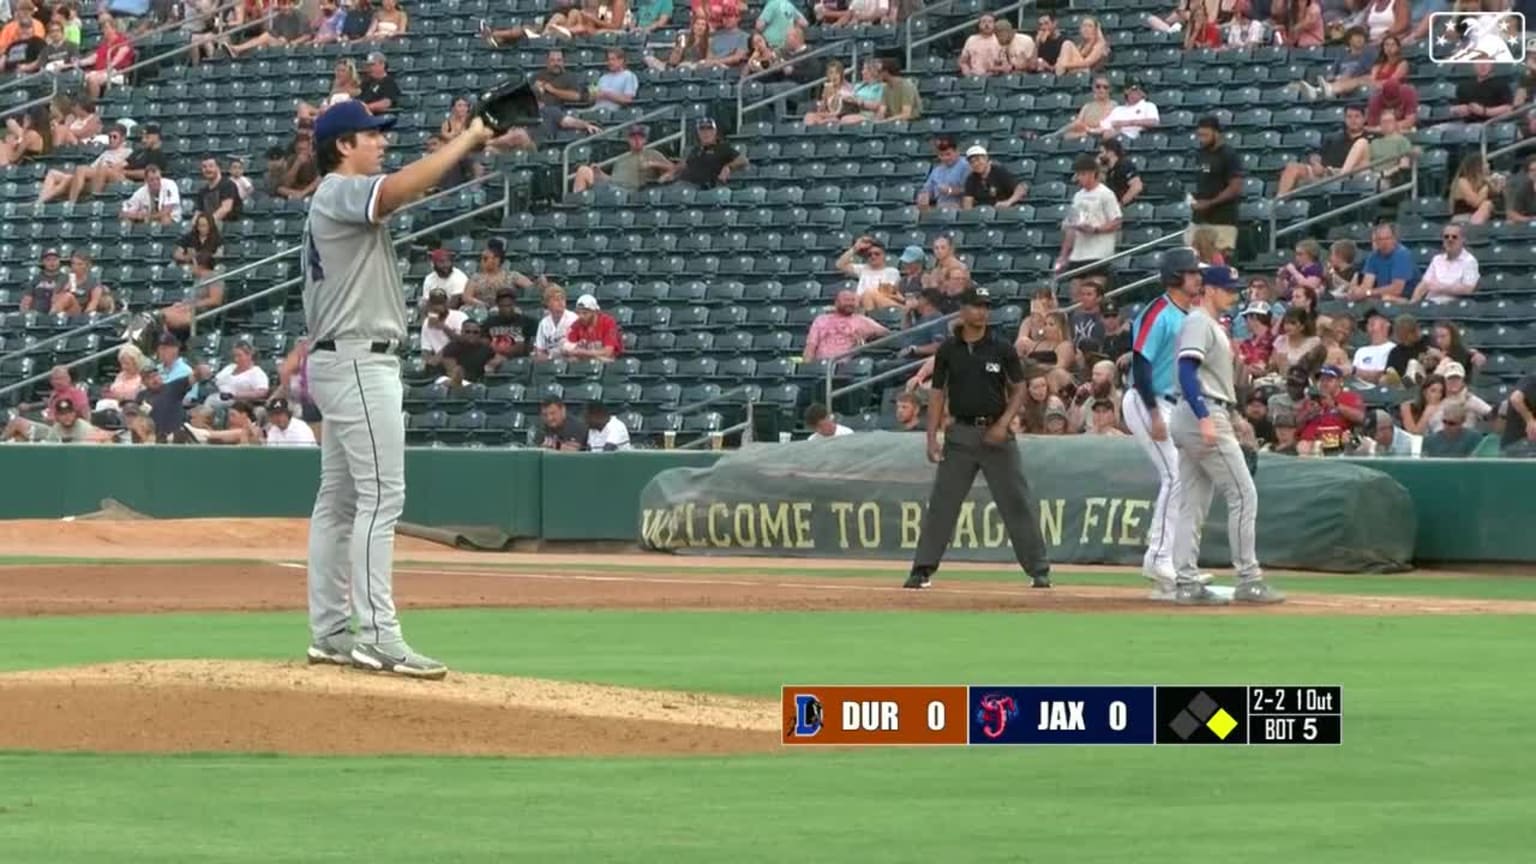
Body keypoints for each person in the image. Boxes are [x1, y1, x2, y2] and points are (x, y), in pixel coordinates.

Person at [300, 100, 496, 681]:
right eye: (371, 135)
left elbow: (395, 189)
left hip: (346, 358)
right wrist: (465, 140)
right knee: (381, 497)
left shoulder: (334, 198)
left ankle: (331, 632)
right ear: (342, 145)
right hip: (360, 360)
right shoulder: (338, 189)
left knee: (338, 503)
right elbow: (394, 191)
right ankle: (380, 636)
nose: (382, 142)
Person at [904, 288, 1052, 591]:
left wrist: (1004, 423)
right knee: (943, 503)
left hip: (997, 435)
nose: (982, 312)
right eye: (976, 306)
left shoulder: (1001, 348)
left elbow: (1019, 388)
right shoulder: (948, 350)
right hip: (960, 433)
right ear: (962, 310)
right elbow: (936, 394)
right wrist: (932, 437)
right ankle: (922, 570)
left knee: (1016, 501)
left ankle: (1039, 570)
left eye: (986, 306)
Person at [1171, 265, 1284, 606]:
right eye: (1228, 290)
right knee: (1243, 494)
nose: (1233, 296)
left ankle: (1186, 582)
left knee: (1193, 502)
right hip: (1200, 411)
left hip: (1203, 410)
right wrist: (1205, 416)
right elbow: (1186, 370)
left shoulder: (1211, 324)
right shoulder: (1198, 321)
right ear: (1210, 290)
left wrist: (1230, 415)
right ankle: (1249, 579)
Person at [1124, 247, 1207, 599]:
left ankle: (1171, 570)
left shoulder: (1189, 314)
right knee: (1175, 474)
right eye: (1192, 272)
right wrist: (1154, 413)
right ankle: (1159, 558)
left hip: (1173, 404)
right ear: (1176, 276)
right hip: (1147, 400)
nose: (1198, 277)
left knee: (1183, 479)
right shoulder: (1159, 311)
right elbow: (1140, 364)